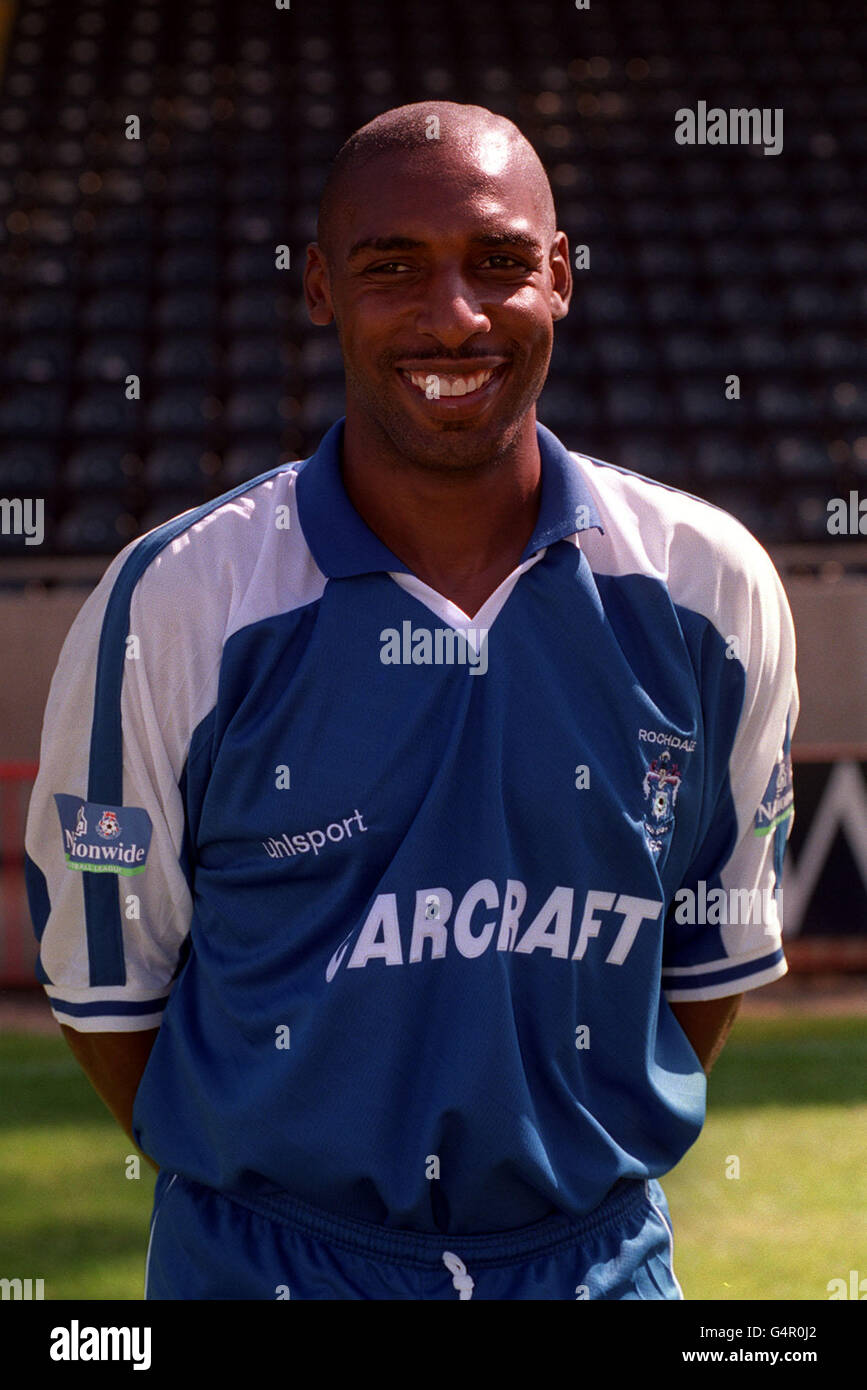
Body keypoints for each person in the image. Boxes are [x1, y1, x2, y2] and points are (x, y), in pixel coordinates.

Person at [24, 101, 798, 1300]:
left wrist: (551, 1186)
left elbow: (707, 964)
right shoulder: (177, 602)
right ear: (322, 288)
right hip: (266, 1268)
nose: (455, 315)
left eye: (498, 264)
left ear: (560, 277)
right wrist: (296, 1200)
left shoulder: (710, 588)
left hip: (594, 1267)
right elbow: (110, 996)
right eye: (396, 268)